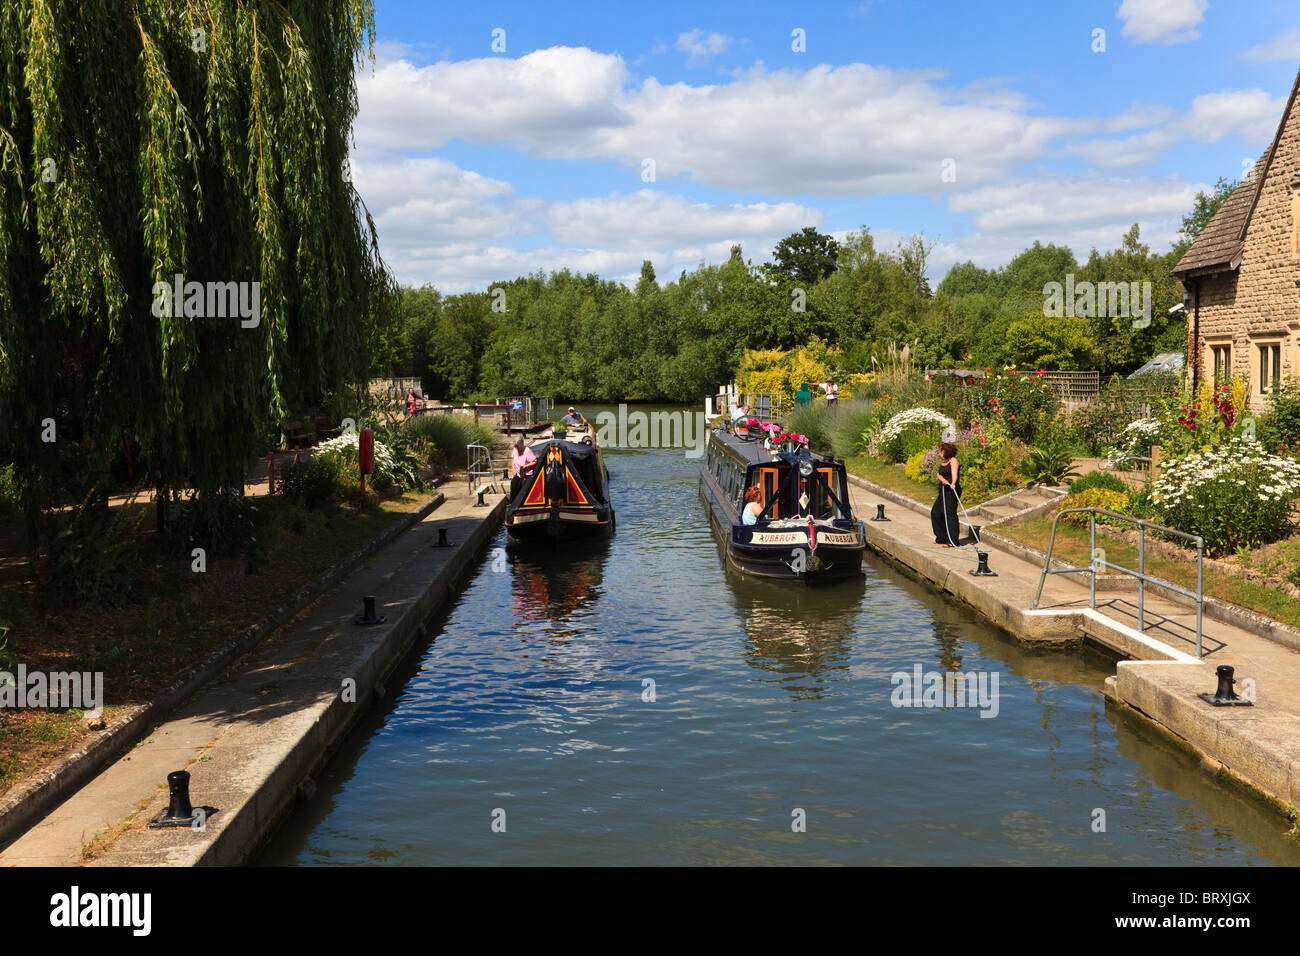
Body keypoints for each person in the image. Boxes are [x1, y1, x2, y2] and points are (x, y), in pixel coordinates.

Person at [930, 441, 962, 546]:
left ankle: (953, 540)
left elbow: (954, 474)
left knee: (950, 514)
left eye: (941, 451)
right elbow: (939, 474)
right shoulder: (944, 462)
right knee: (936, 512)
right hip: (942, 491)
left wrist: (952, 483)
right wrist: (941, 478)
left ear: (946, 452)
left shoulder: (953, 461)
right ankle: (942, 537)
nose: (939, 453)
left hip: (951, 491)